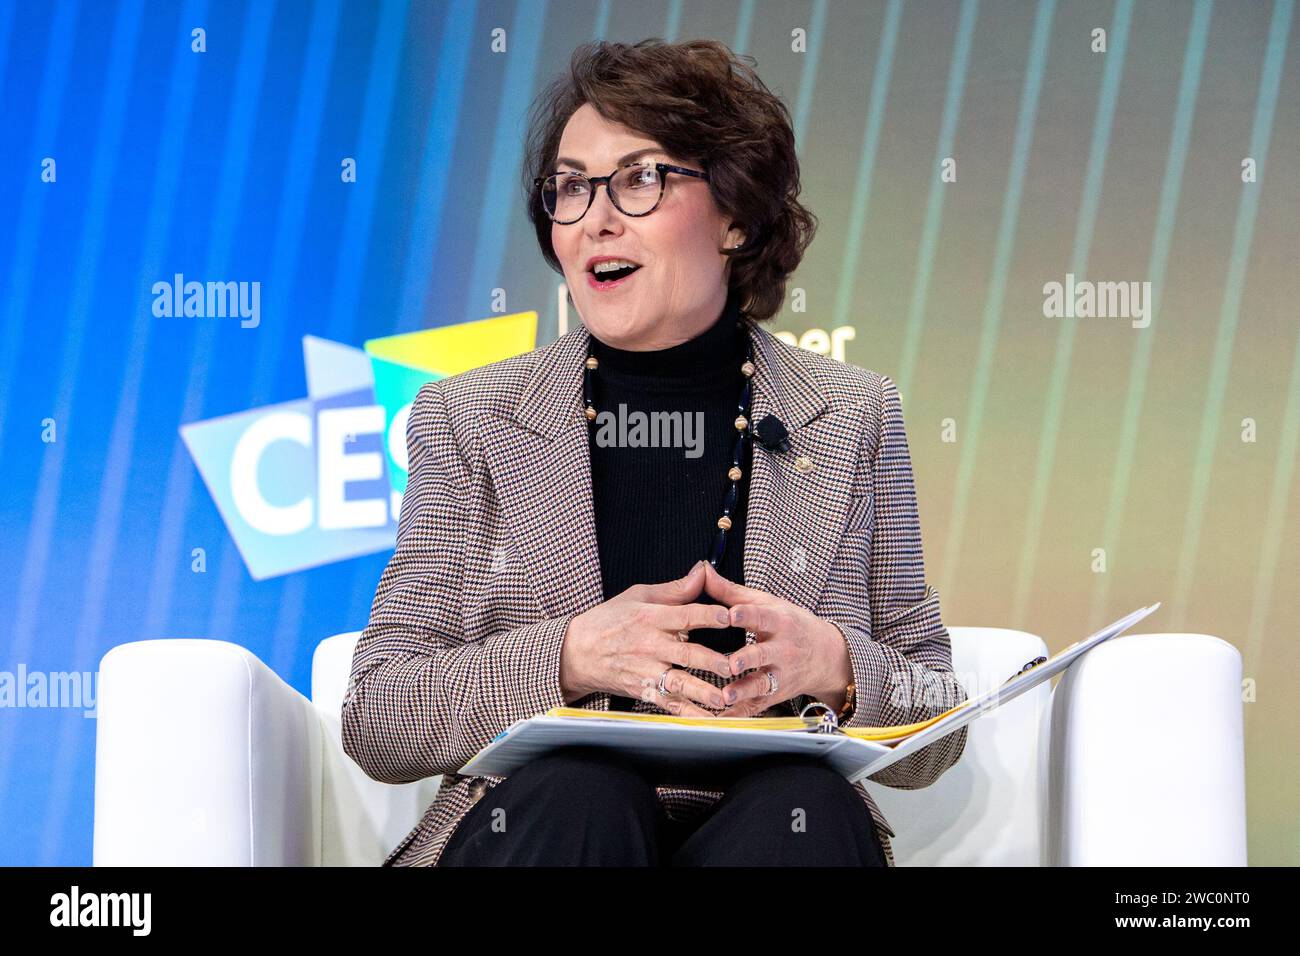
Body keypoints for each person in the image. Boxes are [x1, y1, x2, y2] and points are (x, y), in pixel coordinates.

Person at [341, 38, 968, 867]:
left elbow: (938, 730)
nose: (595, 216)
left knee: (802, 811)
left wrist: (837, 665)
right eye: (570, 188)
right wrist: (568, 656)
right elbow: (379, 714)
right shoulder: (470, 418)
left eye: (640, 179)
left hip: (770, 835)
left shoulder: (853, 416)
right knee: (582, 791)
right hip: (552, 833)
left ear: (736, 215)